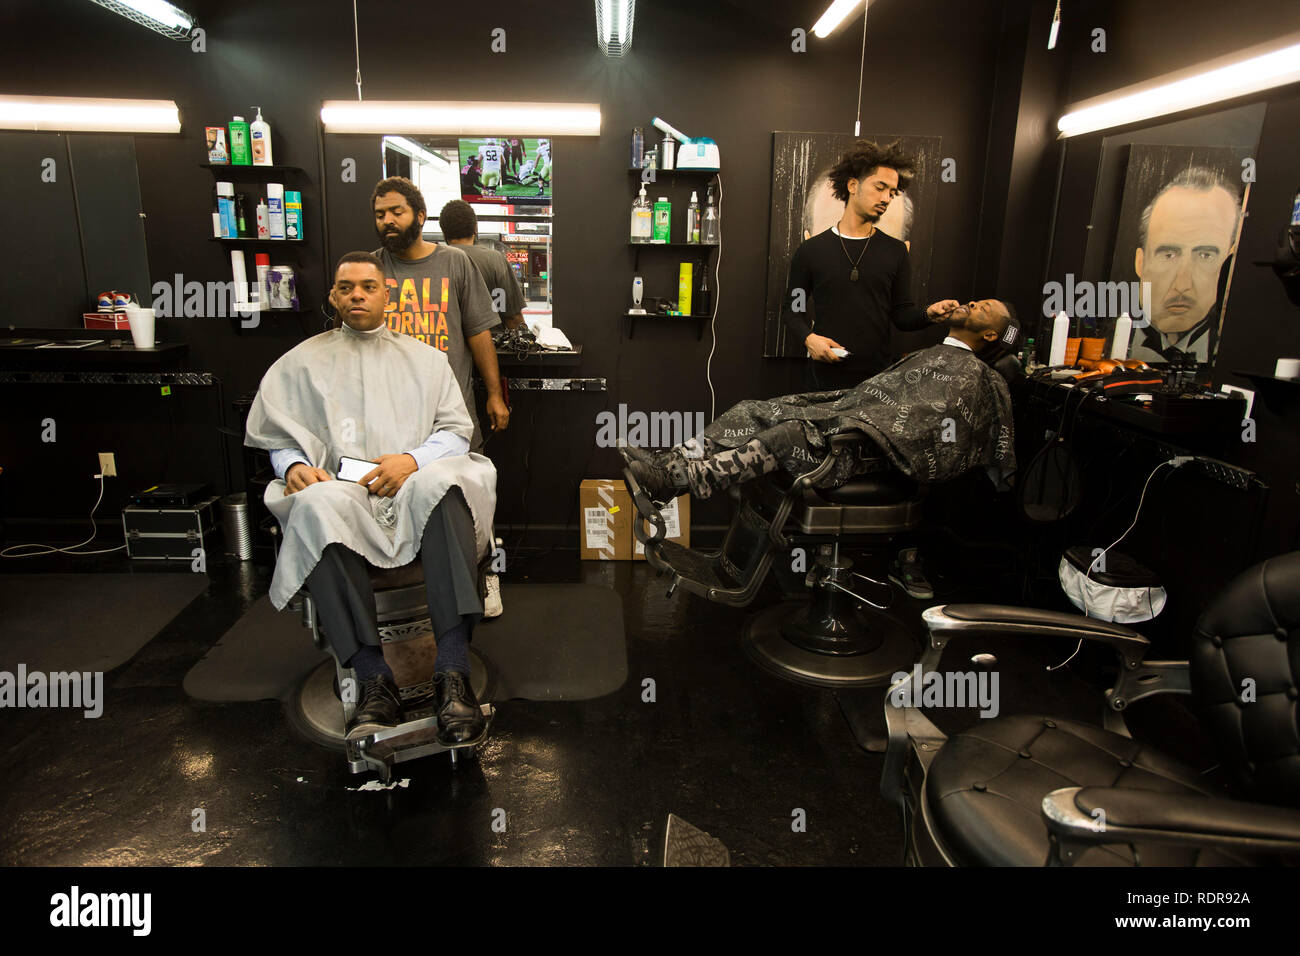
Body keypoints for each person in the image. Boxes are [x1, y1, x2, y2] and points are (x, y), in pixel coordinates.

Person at [245, 252, 497, 743]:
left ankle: (452, 674)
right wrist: (293, 466)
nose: (356, 295)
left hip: (408, 483)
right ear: (335, 297)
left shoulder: (426, 360)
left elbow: (454, 433)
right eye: (346, 288)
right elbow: (278, 436)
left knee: (442, 485)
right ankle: (372, 679)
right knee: (317, 505)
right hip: (345, 490)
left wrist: (413, 460)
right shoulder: (302, 362)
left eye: (367, 286)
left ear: (388, 294)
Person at [781, 140, 959, 596]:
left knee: (887, 471)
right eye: (881, 187)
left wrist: (930, 314)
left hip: (878, 383)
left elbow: (902, 315)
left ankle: (902, 558)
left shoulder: (895, 252)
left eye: (893, 192)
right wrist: (808, 338)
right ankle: (817, 557)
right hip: (824, 381)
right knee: (822, 472)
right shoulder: (811, 252)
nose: (886, 197)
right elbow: (793, 310)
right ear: (854, 186)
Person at [624, 300, 1016, 506]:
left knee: (787, 434)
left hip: (862, 449)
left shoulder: (972, 376)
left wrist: (858, 422)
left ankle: (681, 481)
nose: (971, 303)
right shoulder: (930, 353)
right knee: (750, 409)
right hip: (847, 419)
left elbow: (926, 429)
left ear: (992, 333)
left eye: (982, 308)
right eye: (975, 300)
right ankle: (667, 465)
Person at [370, 176, 508, 451]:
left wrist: (495, 394)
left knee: (460, 487)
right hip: (389, 410)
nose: (387, 220)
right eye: (380, 215)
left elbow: (478, 332)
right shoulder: (371, 268)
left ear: (420, 217)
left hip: (450, 409)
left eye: (397, 212)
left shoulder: (455, 262)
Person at [1129, 166, 1242, 364]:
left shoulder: (1236, 354)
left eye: (1205, 255)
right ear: (1140, 262)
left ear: (1229, 265)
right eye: (1169, 254)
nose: (1182, 284)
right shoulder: (1103, 337)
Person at [438, 199, 526, 331]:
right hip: (492, 345)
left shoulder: (435, 261)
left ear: (444, 232)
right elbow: (513, 317)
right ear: (475, 228)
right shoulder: (495, 259)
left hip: (447, 347)